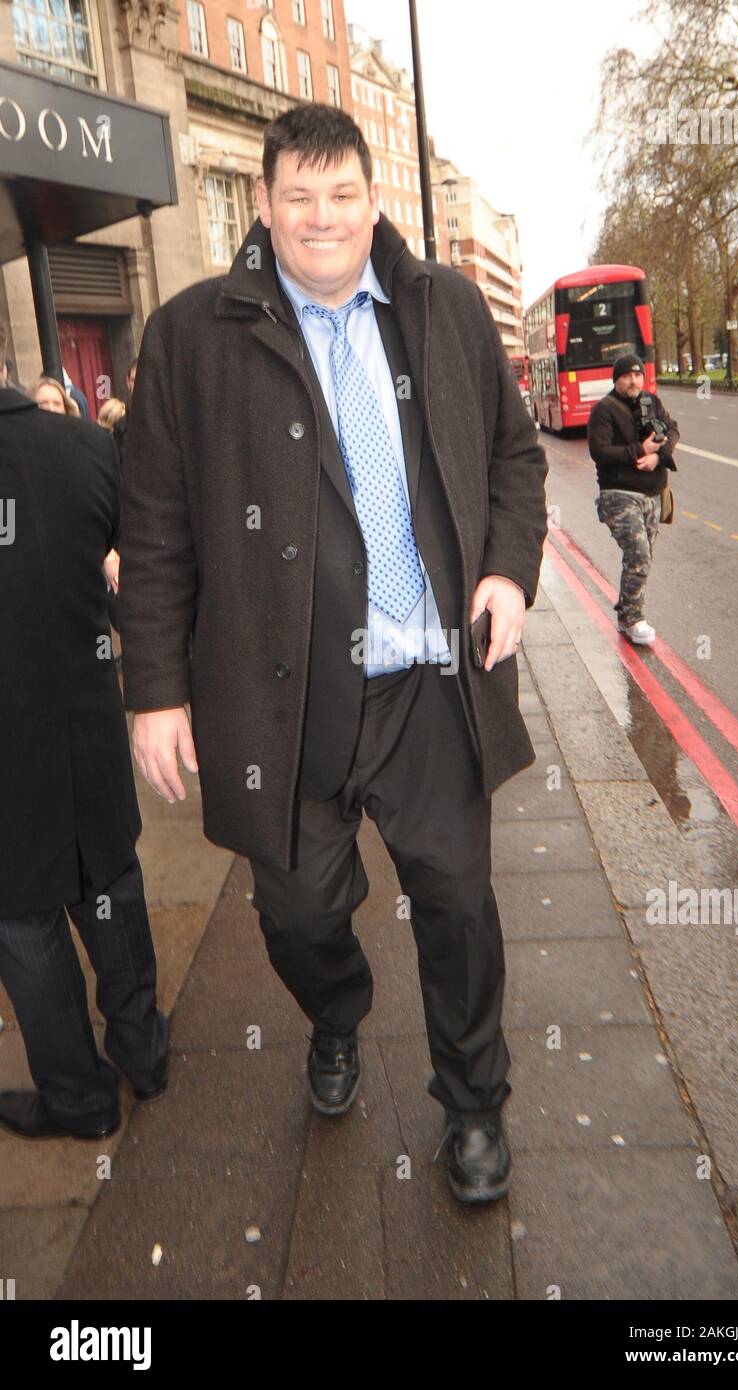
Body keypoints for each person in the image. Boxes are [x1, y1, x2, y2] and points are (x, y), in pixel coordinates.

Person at [119, 104, 548, 1204]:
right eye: (297, 196)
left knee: (457, 900)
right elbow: (157, 524)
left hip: (424, 683)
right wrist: (156, 689)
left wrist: (506, 570)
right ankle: (339, 1013)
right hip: (283, 700)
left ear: (372, 201)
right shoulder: (187, 339)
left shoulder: (441, 310)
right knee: (299, 912)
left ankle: (473, 1103)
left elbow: (514, 455)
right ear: (263, 206)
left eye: (341, 194)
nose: (321, 216)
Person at [0, 334, 169, 1140]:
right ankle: (146, 1054)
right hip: (86, 730)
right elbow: (146, 565)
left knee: (24, 922)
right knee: (108, 883)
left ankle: (80, 1099)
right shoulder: (87, 447)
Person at [587, 354, 679, 645]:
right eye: (627, 376)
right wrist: (639, 450)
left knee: (642, 557)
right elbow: (600, 452)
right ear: (616, 379)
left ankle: (625, 611)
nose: (633, 380)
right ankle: (634, 618)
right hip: (619, 494)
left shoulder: (652, 402)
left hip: (653, 494)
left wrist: (657, 456)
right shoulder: (604, 410)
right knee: (639, 553)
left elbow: (673, 430)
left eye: (638, 375)